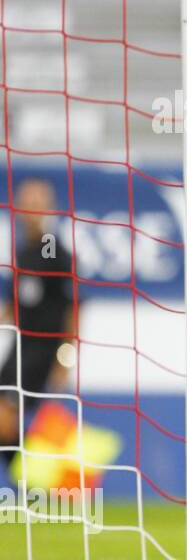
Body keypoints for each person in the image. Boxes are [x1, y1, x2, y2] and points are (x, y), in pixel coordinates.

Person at [0, 180, 75, 473]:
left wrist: (64, 357)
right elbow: (25, 301)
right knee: (5, 423)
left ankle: (39, 480)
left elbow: (72, 304)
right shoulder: (25, 250)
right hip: (20, 346)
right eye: (25, 203)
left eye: (37, 203)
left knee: (5, 417)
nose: (30, 211)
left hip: (41, 350)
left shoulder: (50, 248)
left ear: (48, 209)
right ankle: (35, 482)